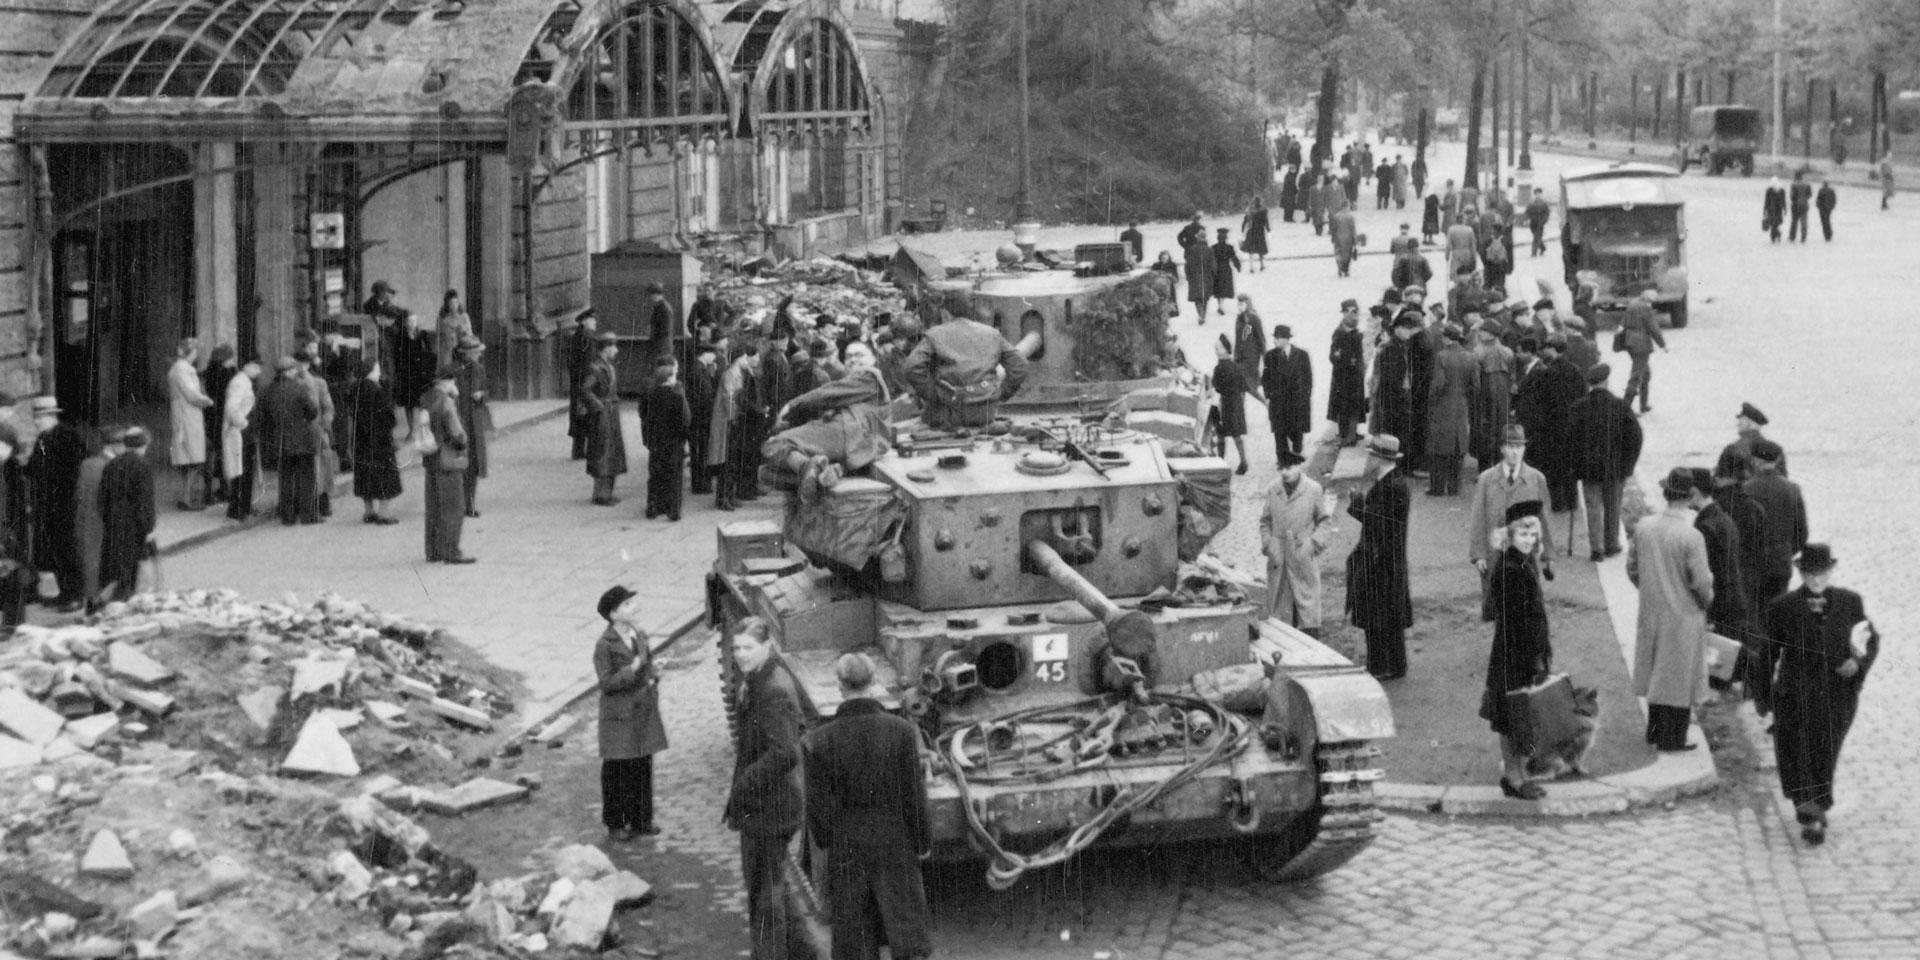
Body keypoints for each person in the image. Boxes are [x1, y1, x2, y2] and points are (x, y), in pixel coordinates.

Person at [801, 652, 933, 960]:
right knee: (905, 929)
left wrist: (831, 842)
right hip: (894, 840)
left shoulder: (818, 740)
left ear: (840, 686)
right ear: (873, 682)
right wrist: (922, 841)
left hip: (847, 845)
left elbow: (818, 812)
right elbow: (914, 795)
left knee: (854, 934)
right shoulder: (900, 731)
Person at [1764, 544, 1877, 845]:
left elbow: (1869, 639)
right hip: (1796, 691)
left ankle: (1819, 802)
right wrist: (1765, 696)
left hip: (1837, 694)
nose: (1816, 580)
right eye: (1810, 574)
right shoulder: (1782, 607)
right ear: (1801, 573)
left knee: (1825, 751)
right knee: (1798, 751)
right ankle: (1809, 813)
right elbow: (1768, 653)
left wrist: (1858, 663)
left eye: (1821, 574)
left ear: (1830, 572)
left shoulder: (1851, 603)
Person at [723, 618, 821, 960]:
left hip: (769, 807)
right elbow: (801, 723)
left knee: (764, 898)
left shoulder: (773, 688)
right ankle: (810, 955)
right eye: (735, 648)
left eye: (748, 647)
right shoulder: (764, 677)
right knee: (776, 889)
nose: (739, 655)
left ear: (767, 646)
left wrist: (745, 784)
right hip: (772, 804)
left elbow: (785, 753)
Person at [1627, 468, 1715, 752]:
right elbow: (1701, 582)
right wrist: (1705, 602)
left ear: (1665, 494)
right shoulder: (1691, 536)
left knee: (1655, 671)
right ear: (1689, 497)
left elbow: (1632, 568)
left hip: (1652, 610)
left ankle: (1654, 731)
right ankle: (1673, 738)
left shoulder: (1644, 526)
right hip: (1683, 613)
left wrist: (1649, 588)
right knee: (1678, 678)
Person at [1481, 499, 1553, 800]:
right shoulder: (1511, 569)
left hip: (1519, 652)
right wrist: (1535, 658)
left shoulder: (1522, 563)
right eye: (1523, 534)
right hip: (1514, 654)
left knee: (1518, 717)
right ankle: (1514, 777)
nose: (1529, 540)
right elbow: (1516, 621)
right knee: (1512, 719)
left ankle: (1518, 774)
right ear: (1509, 536)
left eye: (1533, 534)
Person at [760, 345, 889, 498]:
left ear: (873, 358)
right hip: (854, 439)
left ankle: (810, 466)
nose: (853, 360)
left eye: (859, 355)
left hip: (848, 432)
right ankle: (825, 471)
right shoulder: (859, 380)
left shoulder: (870, 376)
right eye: (848, 356)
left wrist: (793, 404)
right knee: (767, 472)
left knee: (775, 444)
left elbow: (831, 392)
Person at [594, 585, 667, 841]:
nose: (633, 607)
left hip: (641, 712)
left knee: (641, 766)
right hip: (619, 716)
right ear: (613, 615)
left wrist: (653, 672)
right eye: (626, 605)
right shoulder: (605, 645)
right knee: (617, 770)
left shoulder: (639, 635)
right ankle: (615, 824)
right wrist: (633, 669)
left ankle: (641, 820)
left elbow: (648, 664)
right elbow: (606, 682)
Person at [1346, 435, 1413, 679]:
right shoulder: (1393, 482)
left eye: (1371, 455)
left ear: (1379, 458)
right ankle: (1394, 665)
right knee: (1388, 617)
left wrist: (1357, 503)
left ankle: (1381, 667)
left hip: (1381, 561)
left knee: (1378, 618)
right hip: (1387, 561)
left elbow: (1378, 523)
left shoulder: (1392, 487)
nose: (1368, 459)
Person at [1565, 363, 1643, 561]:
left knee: (1593, 506)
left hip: (1588, 468)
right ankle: (1612, 544)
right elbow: (1635, 437)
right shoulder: (1620, 406)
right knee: (1613, 505)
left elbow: (1570, 440)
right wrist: (1628, 464)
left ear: (1589, 383)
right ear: (1606, 381)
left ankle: (1596, 548)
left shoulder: (1578, 407)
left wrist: (1574, 467)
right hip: (1615, 467)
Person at [903, 310, 1027, 430]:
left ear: (945, 313)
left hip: (945, 414)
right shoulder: (992, 334)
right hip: (984, 414)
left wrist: (933, 395)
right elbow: (1019, 365)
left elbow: (912, 366)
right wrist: (1001, 393)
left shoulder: (934, 334)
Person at [1743, 438, 1808, 665]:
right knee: (1777, 614)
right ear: (1777, 460)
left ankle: (1756, 667)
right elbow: (1802, 532)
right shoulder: (1792, 489)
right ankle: (1774, 663)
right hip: (1781, 564)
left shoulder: (1747, 489)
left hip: (1753, 565)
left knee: (1754, 615)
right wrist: (1786, 552)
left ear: (1757, 461)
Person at [1687, 466, 1751, 691]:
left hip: (1719, 603)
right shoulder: (1723, 518)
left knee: (1716, 664)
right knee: (1725, 659)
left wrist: (1706, 610)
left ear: (1694, 492)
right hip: (1734, 599)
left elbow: (1706, 574)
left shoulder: (1704, 527)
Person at [1468, 424, 1554, 584]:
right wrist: (1478, 554)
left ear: (1524, 449)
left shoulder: (1536, 479)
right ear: (1502, 449)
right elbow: (1477, 518)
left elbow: (1544, 521)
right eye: (1510, 446)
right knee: (1493, 604)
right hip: (1495, 556)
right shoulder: (1486, 479)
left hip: (1525, 557)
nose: (1515, 452)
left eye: (1519, 447)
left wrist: (1548, 555)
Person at [1260, 448, 1333, 636]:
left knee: (1306, 610)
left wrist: (1313, 544)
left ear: (1299, 467)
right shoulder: (1272, 489)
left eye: (1289, 467)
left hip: (1302, 556)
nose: (1285, 472)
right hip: (1279, 559)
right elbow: (1265, 521)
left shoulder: (1313, 489)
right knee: (1280, 614)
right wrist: (1269, 545)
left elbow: (1324, 521)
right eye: (1281, 468)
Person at [27, 397, 86, 609]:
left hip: (65, 504)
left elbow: (73, 471)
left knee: (67, 550)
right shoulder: (43, 438)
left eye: (39, 418)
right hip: (47, 506)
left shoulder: (67, 436)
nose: (36, 422)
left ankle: (76, 595)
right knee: (54, 551)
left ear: (51, 416)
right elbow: (35, 469)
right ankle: (64, 592)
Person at [418, 365, 473, 563]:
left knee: (433, 507)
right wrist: (464, 442)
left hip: (430, 458)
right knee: (453, 507)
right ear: (448, 382)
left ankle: (433, 550)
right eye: (454, 381)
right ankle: (451, 551)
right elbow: (457, 433)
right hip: (448, 460)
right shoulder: (446, 402)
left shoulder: (426, 398)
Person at [98, 426, 156, 604]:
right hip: (134, 527)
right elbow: (144, 501)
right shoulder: (143, 465)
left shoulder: (112, 464)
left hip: (114, 524)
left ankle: (110, 602)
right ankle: (124, 604)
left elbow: (102, 498)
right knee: (132, 571)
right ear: (142, 445)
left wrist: (108, 519)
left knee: (115, 566)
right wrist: (148, 528)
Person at [260, 357, 319, 525]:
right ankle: (308, 515)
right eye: (293, 369)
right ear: (287, 371)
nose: (295, 371)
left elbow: (264, 417)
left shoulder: (267, 390)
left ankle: (288, 516)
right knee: (306, 477)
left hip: (280, 440)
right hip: (302, 439)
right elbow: (313, 411)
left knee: (285, 478)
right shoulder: (299, 388)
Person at [344, 360, 401, 525]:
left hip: (361, 438)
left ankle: (368, 511)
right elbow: (388, 417)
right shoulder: (378, 391)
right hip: (379, 439)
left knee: (364, 473)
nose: (379, 372)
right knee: (384, 474)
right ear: (370, 372)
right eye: (376, 369)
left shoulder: (354, 390)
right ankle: (384, 514)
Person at [1424, 324, 1478, 496]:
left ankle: (1437, 488)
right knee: (1458, 447)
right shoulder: (1471, 357)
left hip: (1442, 406)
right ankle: (1455, 487)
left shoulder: (1442, 356)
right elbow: (1476, 386)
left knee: (1439, 448)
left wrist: (1431, 401)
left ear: (1447, 338)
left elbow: (1438, 383)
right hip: (1461, 406)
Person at [579, 333, 629, 507]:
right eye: (613, 346)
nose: (616, 350)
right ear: (606, 348)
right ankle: (601, 494)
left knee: (611, 452)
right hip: (603, 415)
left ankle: (607, 492)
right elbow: (585, 390)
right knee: (603, 452)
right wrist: (599, 407)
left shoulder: (605, 365)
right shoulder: (596, 368)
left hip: (610, 413)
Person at [166, 339, 216, 510]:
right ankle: (187, 498)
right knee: (192, 459)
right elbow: (192, 394)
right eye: (195, 350)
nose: (197, 354)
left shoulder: (180, 368)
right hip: (187, 416)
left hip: (186, 415)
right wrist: (208, 401)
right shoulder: (182, 369)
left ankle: (188, 496)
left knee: (190, 458)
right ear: (190, 352)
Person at [639, 358, 690, 521]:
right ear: (669, 378)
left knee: (655, 475)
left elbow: (645, 417)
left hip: (656, 441)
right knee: (674, 476)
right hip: (674, 441)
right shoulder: (676, 396)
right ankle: (674, 510)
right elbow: (685, 419)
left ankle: (653, 507)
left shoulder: (651, 395)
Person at [1468, 323, 1515, 472]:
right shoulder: (1507, 352)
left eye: (1484, 331)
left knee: (1484, 429)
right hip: (1502, 395)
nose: (1480, 333)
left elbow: (1474, 379)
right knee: (1500, 429)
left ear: (1492, 334)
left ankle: (1484, 469)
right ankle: (1500, 466)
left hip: (1484, 394)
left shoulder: (1478, 351)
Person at [452, 337, 491, 518]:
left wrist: (481, 395)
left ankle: (470, 505)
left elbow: (486, 391)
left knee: (473, 466)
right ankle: (458, 505)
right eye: (475, 352)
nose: (478, 354)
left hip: (475, 423)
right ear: (465, 354)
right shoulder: (454, 371)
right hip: (460, 421)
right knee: (459, 465)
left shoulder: (479, 369)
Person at [1260, 325, 1312, 461]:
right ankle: (1282, 458)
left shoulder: (1301, 355)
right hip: (1279, 402)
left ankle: (1296, 454)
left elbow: (1308, 378)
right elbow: (1265, 378)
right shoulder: (1270, 356)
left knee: (1297, 431)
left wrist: (1305, 397)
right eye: (1274, 338)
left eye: (1277, 338)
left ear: (1286, 339)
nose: (1275, 341)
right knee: (1279, 432)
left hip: (1296, 402)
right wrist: (1268, 396)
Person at [1210, 335, 1258, 475]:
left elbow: (1216, 386)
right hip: (1233, 403)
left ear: (1226, 350)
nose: (1217, 350)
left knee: (1223, 434)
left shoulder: (1220, 368)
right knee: (1234, 435)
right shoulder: (1234, 366)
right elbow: (1244, 386)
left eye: (1219, 348)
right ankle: (1241, 462)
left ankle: (1225, 462)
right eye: (1216, 348)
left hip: (1228, 404)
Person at [221, 359, 261, 522]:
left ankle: (244, 506)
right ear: (247, 365)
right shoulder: (239, 383)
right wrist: (244, 424)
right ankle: (236, 508)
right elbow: (232, 408)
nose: (258, 371)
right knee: (240, 471)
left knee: (246, 470)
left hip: (244, 432)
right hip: (239, 432)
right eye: (256, 367)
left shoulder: (244, 381)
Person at [1327, 300, 1368, 446]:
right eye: (1348, 312)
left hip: (1356, 374)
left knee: (1355, 404)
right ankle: (1346, 435)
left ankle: (1353, 432)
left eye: (1354, 312)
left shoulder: (1356, 331)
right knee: (1344, 405)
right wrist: (1345, 361)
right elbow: (1333, 355)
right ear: (1343, 313)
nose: (1352, 315)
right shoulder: (1339, 333)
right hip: (1343, 376)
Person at [685, 341, 720, 496]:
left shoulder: (699, 368)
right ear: (705, 354)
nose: (714, 357)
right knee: (700, 451)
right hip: (700, 417)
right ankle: (700, 484)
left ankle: (699, 483)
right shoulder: (698, 370)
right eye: (712, 354)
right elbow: (705, 395)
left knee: (699, 451)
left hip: (698, 416)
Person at [1720, 402, 1788, 481]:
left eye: (1741, 421)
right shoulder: (1775, 449)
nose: (1737, 424)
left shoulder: (1732, 449)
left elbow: (1721, 481)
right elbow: (1783, 479)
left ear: (1749, 423)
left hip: (1741, 492)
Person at [567, 311, 600, 460]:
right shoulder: (585, 337)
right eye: (592, 320)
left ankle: (578, 450)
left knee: (580, 415)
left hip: (579, 380)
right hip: (584, 381)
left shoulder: (581, 336)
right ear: (584, 321)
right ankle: (582, 451)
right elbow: (587, 362)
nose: (595, 322)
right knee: (584, 414)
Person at [434, 290, 474, 370]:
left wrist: (463, 331)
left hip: (462, 350)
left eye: (456, 302)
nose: (454, 306)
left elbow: (470, 335)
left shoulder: (464, 317)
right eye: (451, 303)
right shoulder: (441, 318)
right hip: (447, 350)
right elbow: (438, 337)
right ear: (447, 304)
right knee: (447, 371)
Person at [644, 281, 679, 367]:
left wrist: (652, 331)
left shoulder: (663, 308)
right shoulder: (661, 307)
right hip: (662, 345)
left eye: (650, 295)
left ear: (655, 294)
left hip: (662, 346)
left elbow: (666, 329)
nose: (650, 298)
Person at [1209, 227, 1241, 315]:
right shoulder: (1229, 247)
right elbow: (1234, 258)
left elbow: (1210, 259)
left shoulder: (1213, 247)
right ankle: (1220, 306)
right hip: (1226, 269)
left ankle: (1220, 305)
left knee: (1218, 289)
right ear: (1226, 238)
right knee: (1223, 289)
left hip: (1216, 270)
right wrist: (1238, 266)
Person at [1182, 235, 1213, 322]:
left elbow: (1187, 265)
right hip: (1206, 277)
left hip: (1194, 277)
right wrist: (1212, 275)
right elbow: (1213, 265)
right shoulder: (1209, 250)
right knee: (1204, 297)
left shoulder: (1192, 249)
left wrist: (1188, 275)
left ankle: (1200, 314)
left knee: (1197, 297)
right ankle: (1202, 315)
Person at [1240, 198, 1270, 272]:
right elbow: (1265, 220)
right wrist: (1267, 227)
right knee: (1260, 249)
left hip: (1252, 231)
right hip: (1259, 231)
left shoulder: (1250, 210)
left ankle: (1252, 267)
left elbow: (1245, 220)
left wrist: (1243, 228)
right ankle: (1261, 265)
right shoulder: (1263, 210)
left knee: (1251, 249)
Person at [1786, 171, 1813, 243]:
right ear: (1802, 177)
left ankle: (1792, 237)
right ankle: (1803, 237)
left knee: (1794, 222)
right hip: (1804, 205)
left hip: (1795, 205)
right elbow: (1810, 195)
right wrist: (1804, 198)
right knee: (1804, 221)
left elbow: (1792, 197)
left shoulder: (1793, 185)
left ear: (1795, 177)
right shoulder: (1807, 185)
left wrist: (1795, 200)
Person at [1525, 187, 1552, 257]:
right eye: (1536, 194)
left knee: (1536, 237)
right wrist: (1527, 219)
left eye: (1539, 193)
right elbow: (1527, 212)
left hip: (1540, 223)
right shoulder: (1531, 203)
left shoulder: (1544, 203)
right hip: (1532, 223)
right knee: (1536, 237)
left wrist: (1544, 221)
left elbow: (1547, 213)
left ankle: (1533, 253)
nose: (1538, 195)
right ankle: (1543, 247)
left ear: (1541, 194)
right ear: (1535, 194)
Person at [1762, 178, 1787, 243]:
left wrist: (1765, 210)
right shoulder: (1781, 190)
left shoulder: (1769, 190)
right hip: (1778, 209)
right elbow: (1784, 201)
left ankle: (1774, 237)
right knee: (1775, 224)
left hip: (1772, 209)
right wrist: (1785, 209)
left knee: (1774, 224)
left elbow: (1766, 201)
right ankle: (1777, 235)